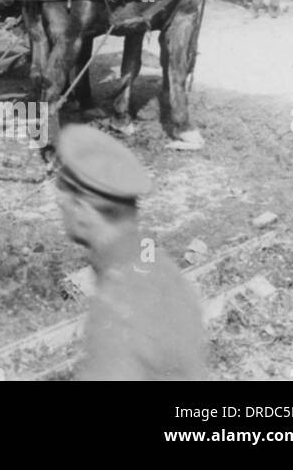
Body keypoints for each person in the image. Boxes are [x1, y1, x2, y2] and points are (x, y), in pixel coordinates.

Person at [55, 125, 207, 381]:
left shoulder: (118, 307)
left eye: (64, 200)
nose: (60, 206)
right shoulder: (160, 268)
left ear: (82, 209)